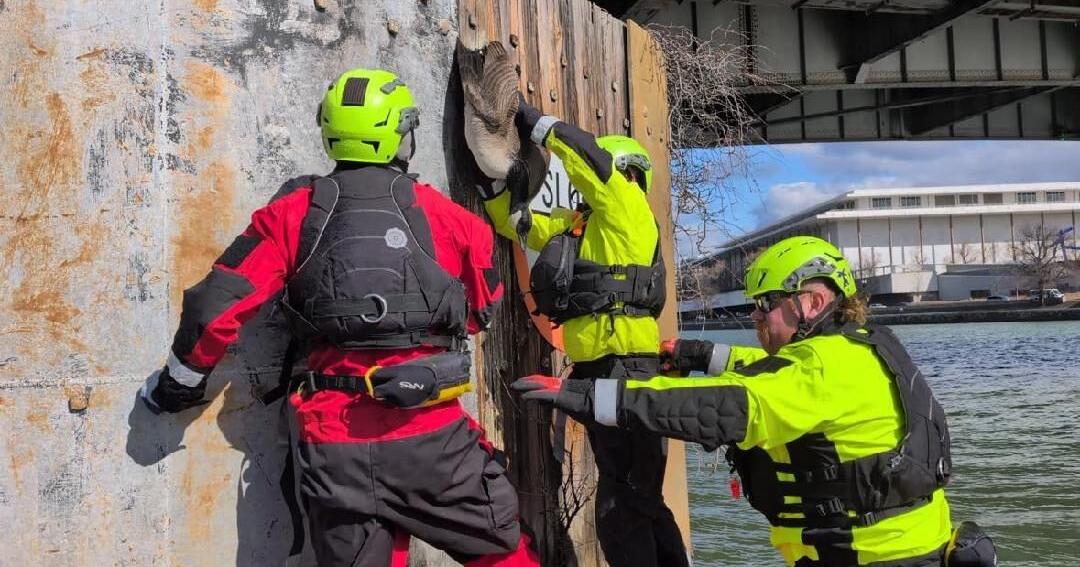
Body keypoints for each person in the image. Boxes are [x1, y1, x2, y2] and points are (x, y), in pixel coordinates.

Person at [139, 67, 539, 567]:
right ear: (400, 134)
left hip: (332, 447)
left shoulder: (290, 214)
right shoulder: (454, 221)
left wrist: (177, 386)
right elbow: (483, 311)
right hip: (430, 440)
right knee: (507, 554)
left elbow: (214, 305)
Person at [511, 236, 993, 567]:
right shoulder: (861, 345)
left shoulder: (818, 371)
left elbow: (718, 407)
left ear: (811, 302)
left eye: (765, 305)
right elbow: (770, 369)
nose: (755, 316)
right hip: (906, 550)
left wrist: (584, 395)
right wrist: (697, 353)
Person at [475, 96, 688, 567]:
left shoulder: (627, 207)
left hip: (627, 371)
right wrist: (494, 191)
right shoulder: (583, 225)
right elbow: (523, 228)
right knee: (639, 497)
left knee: (622, 505)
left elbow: (590, 158)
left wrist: (537, 125)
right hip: (602, 370)